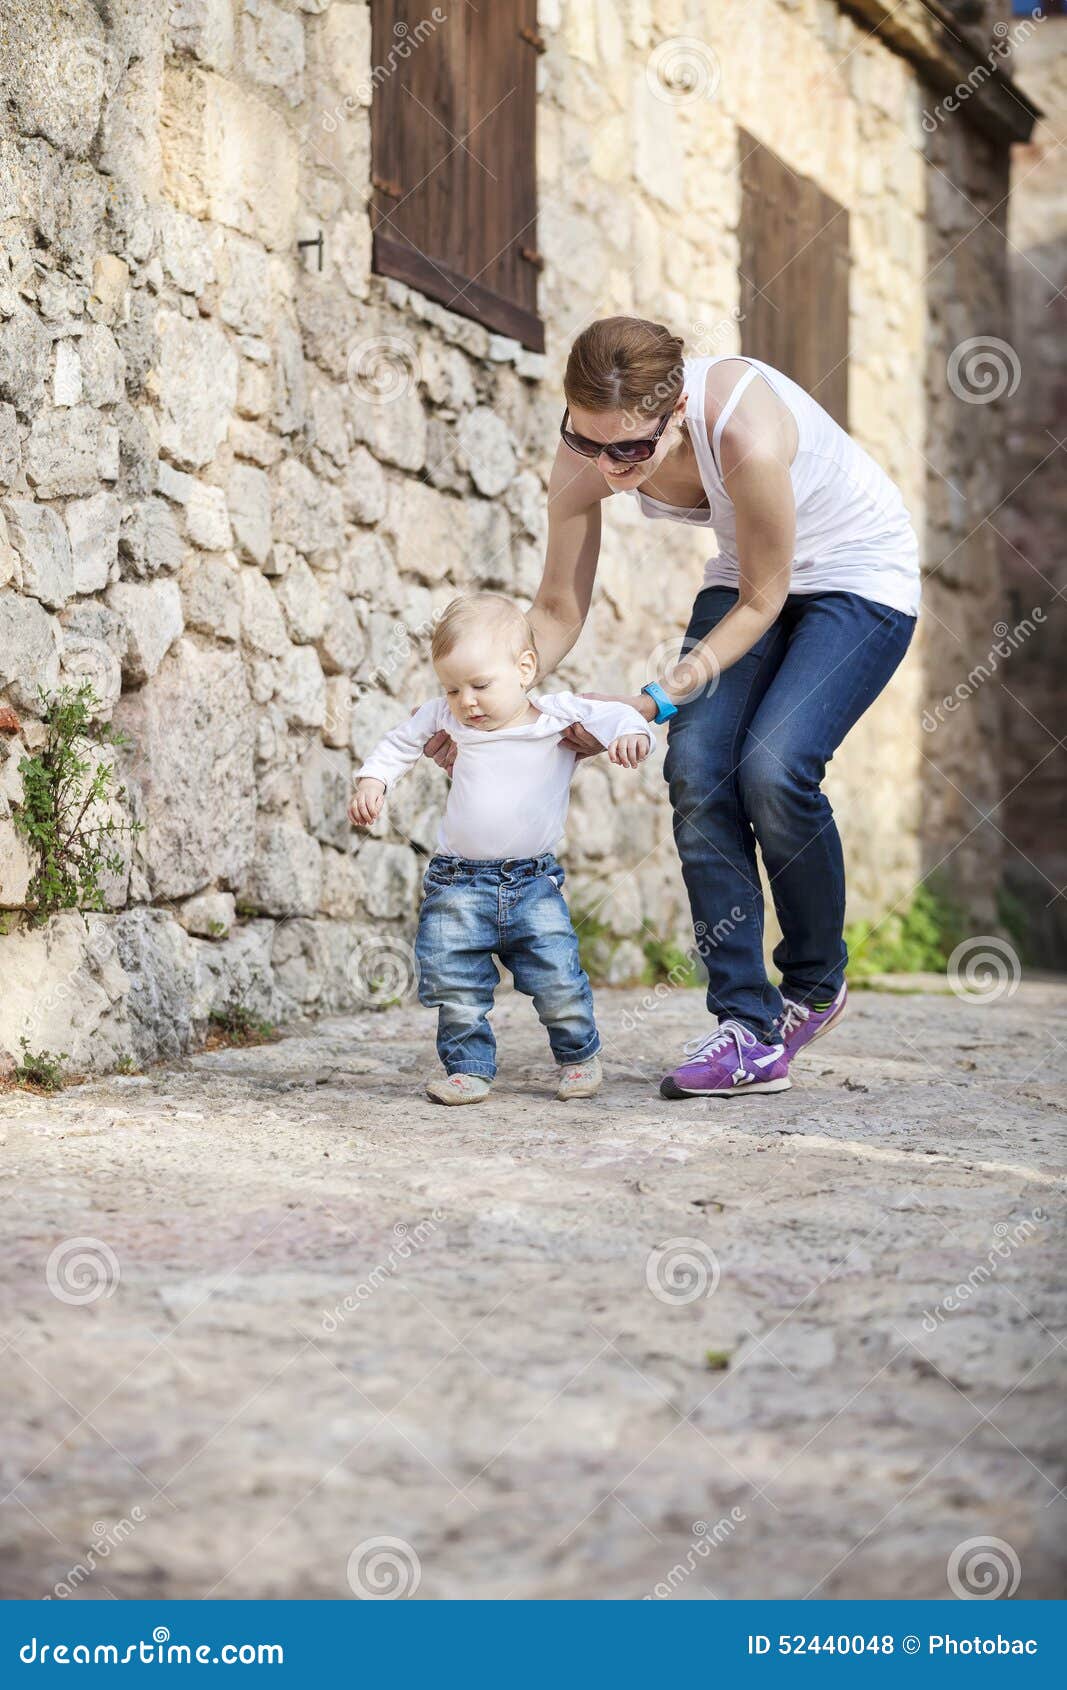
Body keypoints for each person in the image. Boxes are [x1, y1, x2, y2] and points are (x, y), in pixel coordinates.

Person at [423, 319, 920, 1099]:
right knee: (695, 767)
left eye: (631, 451)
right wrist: (487, 701)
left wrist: (660, 695)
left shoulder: (742, 435)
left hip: (857, 580)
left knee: (773, 765)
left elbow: (764, 599)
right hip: (748, 575)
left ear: (679, 408)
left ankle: (814, 984)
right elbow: (554, 608)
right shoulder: (585, 452)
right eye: (587, 443)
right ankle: (746, 1028)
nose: (609, 469)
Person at [350, 592, 654, 1105]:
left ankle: (578, 1055)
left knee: (557, 977)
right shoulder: (447, 719)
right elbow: (399, 743)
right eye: (452, 689)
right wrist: (373, 781)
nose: (466, 701)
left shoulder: (557, 715)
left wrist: (632, 735)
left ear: (525, 668)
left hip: (533, 885)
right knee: (454, 983)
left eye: (480, 685)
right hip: (456, 883)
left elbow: (613, 717)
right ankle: (467, 1068)